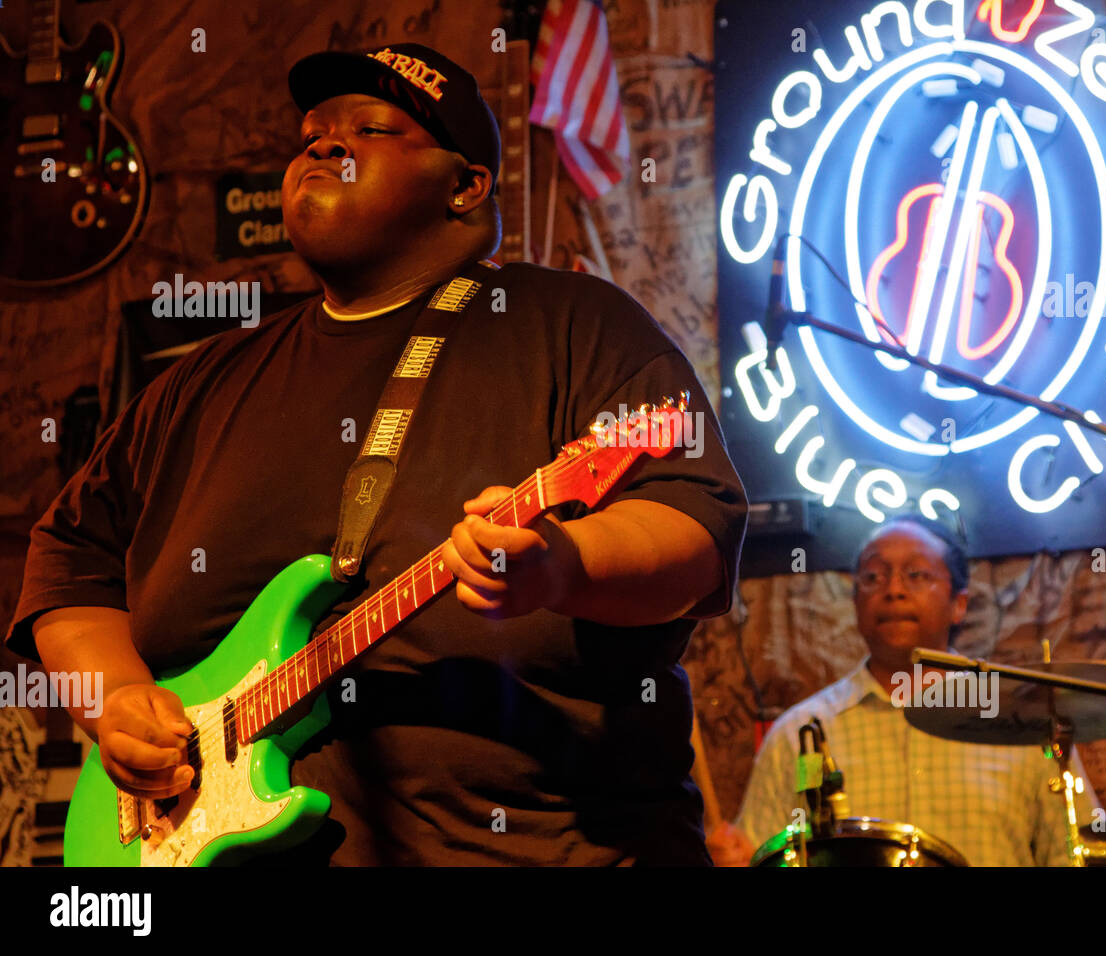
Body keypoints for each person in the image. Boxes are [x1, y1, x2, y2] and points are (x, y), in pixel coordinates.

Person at [5, 44, 748, 866]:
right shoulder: (199, 383)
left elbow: (693, 532)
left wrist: (563, 564)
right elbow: (68, 562)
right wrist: (116, 700)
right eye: (311, 134)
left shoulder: (573, 322)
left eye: (370, 128)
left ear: (466, 186)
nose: (322, 145)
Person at [709, 515, 1096, 867]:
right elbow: (764, 854)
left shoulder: (1022, 724)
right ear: (856, 601)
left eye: (916, 575)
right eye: (874, 576)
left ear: (959, 604)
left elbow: (1076, 855)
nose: (893, 590)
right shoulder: (797, 735)